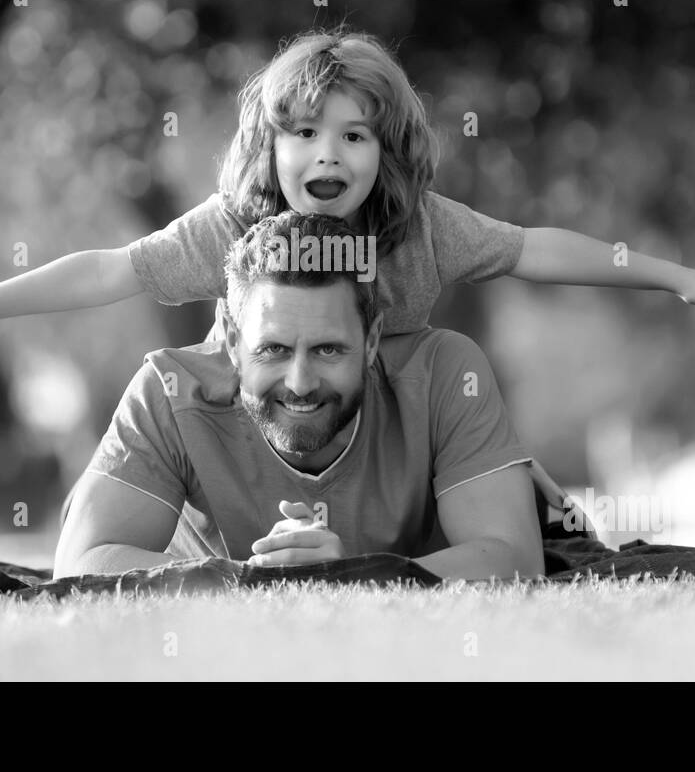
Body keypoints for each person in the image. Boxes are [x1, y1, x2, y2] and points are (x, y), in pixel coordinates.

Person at [0, 28, 695, 342]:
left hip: (377, 450)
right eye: (303, 134)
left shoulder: (420, 228)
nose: (325, 154)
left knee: (444, 368)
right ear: (272, 147)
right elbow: (106, 269)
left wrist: (674, 274)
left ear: (386, 151)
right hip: (261, 452)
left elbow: (538, 250)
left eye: (352, 135)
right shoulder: (234, 228)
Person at [54, 211, 560, 581]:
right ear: (232, 340)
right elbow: (82, 564)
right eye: (272, 348)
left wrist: (351, 575)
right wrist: (252, 580)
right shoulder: (169, 390)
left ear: (372, 341)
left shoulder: (446, 372)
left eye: (327, 349)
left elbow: (515, 560)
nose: (299, 382)